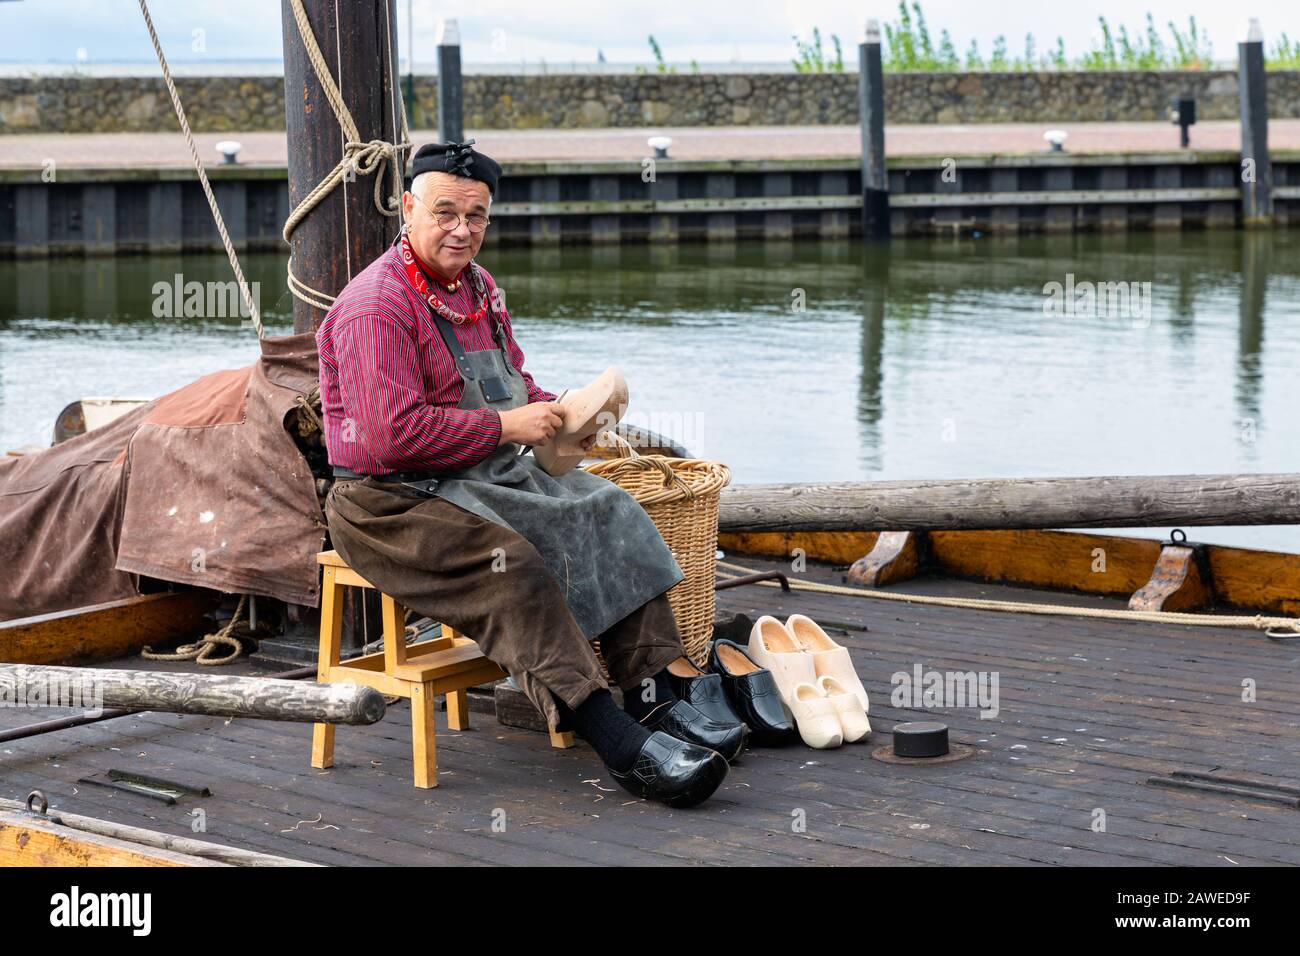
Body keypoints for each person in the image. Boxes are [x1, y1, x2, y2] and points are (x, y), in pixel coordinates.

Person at [316, 141, 745, 807]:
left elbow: (514, 385)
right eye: (445, 212)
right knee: (509, 564)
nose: (463, 229)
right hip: (388, 502)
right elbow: (387, 435)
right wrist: (505, 428)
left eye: (477, 216)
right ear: (407, 209)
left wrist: (562, 414)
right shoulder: (377, 306)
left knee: (609, 510)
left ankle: (656, 695)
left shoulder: (479, 289)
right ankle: (619, 743)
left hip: (481, 474)